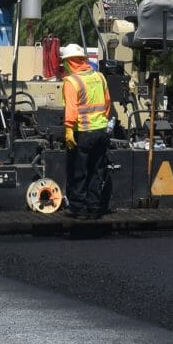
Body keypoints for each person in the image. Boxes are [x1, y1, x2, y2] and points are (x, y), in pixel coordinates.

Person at [61, 45, 113, 220]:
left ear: (70, 62)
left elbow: (71, 108)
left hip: (82, 133)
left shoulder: (71, 81)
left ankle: (79, 208)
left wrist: (68, 129)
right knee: (97, 170)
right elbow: (107, 104)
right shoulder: (100, 77)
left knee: (79, 170)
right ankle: (94, 206)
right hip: (101, 131)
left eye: (65, 62)